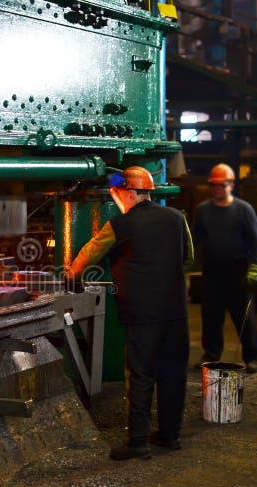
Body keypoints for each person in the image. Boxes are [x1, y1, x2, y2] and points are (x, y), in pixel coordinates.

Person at [65, 166, 194, 460]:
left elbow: (90, 251)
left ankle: (137, 443)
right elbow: (189, 258)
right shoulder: (177, 218)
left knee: (140, 374)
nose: (119, 200)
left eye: (119, 194)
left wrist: (72, 275)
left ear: (130, 192)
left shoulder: (120, 225)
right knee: (173, 374)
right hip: (176, 313)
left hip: (142, 314)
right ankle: (170, 436)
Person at [192, 163, 257, 374]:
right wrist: (184, 263)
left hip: (238, 272)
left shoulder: (243, 210)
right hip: (213, 272)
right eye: (213, 185)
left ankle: (251, 358)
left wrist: (254, 267)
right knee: (211, 316)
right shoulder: (203, 211)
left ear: (231, 185)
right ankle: (212, 353)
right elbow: (194, 240)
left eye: (221, 185)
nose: (216, 189)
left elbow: (255, 241)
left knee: (244, 318)